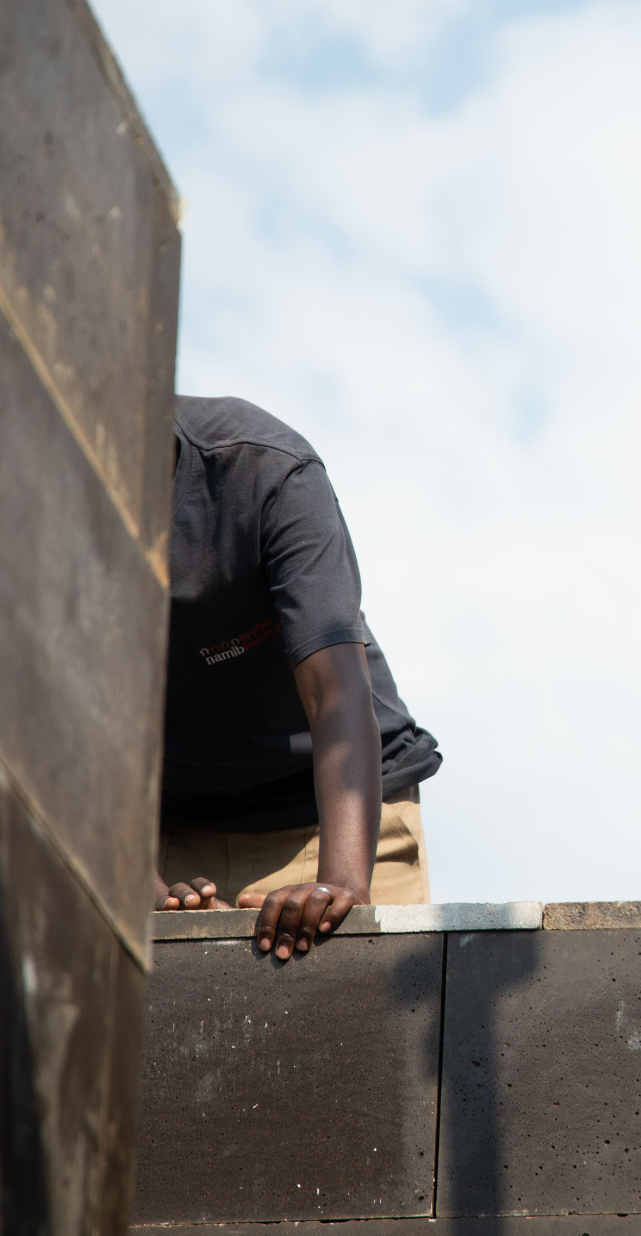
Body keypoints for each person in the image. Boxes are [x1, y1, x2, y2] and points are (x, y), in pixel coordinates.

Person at [155, 396, 442, 961]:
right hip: (166, 822)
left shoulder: (267, 470)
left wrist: (343, 888)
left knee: (363, 1032)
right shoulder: (28, 507)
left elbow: (333, 691)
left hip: (335, 812)